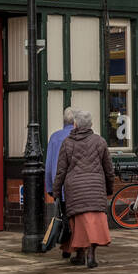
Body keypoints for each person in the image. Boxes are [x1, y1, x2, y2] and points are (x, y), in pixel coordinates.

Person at [51, 110, 115, 268]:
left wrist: (56, 191)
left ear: (75, 124)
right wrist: (109, 188)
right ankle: (91, 254)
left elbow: (61, 170)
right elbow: (109, 170)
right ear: (91, 125)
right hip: (95, 188)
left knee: (78, 224)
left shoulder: (68, 143)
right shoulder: (100, 142)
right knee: (95, 224)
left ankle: (80, 254)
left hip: (76, 190)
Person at [45, 107, 76, 258]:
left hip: (60, 185)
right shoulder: (80, 136)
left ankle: (66, 248)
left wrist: (50, 188)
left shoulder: (55, 137)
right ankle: (73, 247)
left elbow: (49, 165)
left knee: (64, 215)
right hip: (78, 186)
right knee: (76, 218)